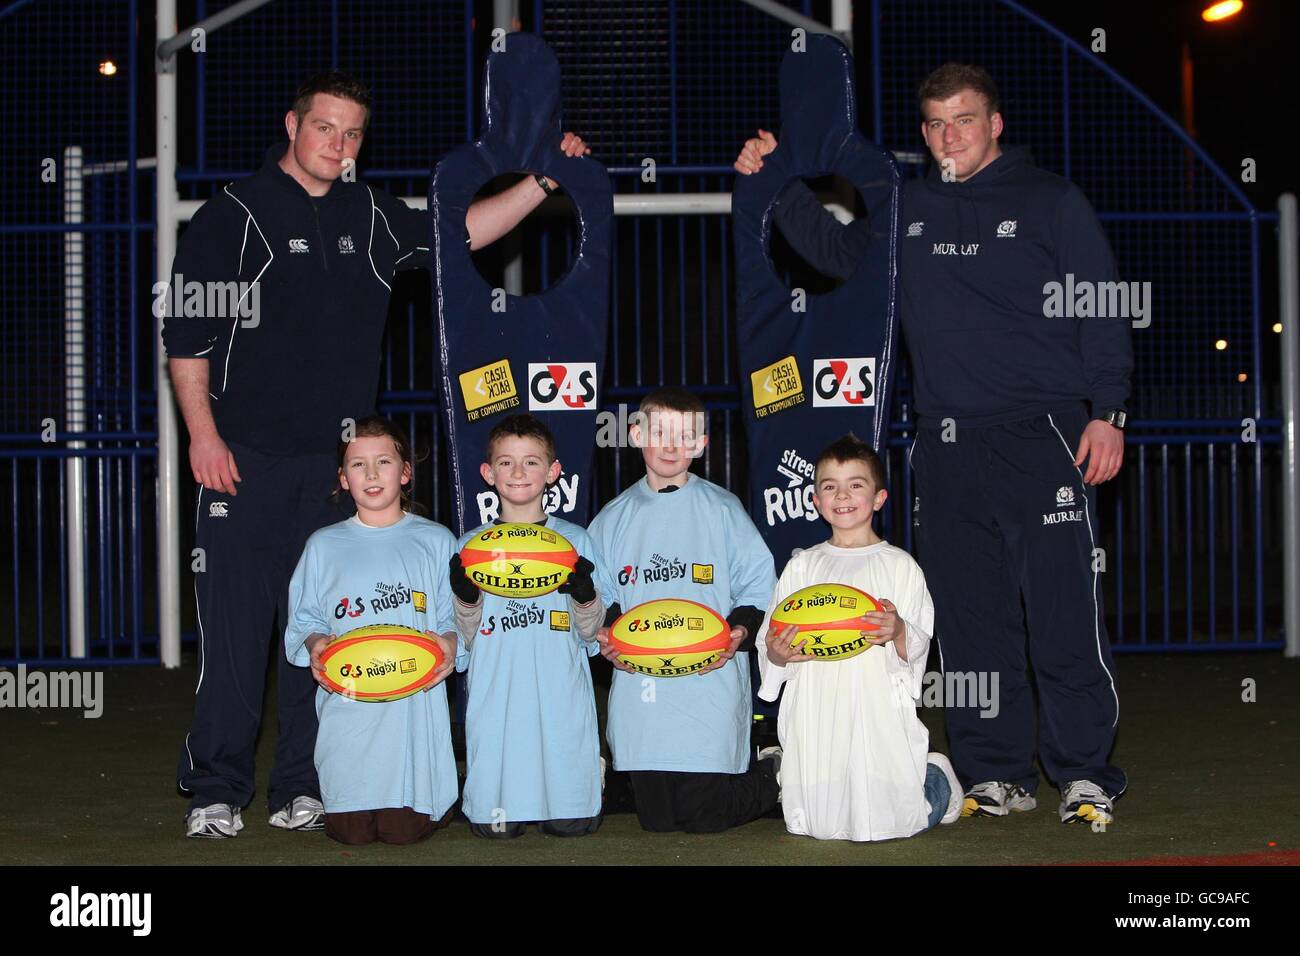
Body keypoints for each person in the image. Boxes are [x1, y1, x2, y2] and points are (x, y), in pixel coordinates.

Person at [163, 69, 590, 838]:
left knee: (320, 633)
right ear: (293, 125)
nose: (339, 143)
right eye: (326, 127)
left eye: (353, 132)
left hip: (335, 473)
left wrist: (540, 183)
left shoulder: (372, 214)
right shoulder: (231, 214)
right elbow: (187, 338)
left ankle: (302, 783)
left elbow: (461, 234)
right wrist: (203, 436)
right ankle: (216, 790)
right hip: (243, 461)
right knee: (233, 634)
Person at [734, 63, 1131, 825]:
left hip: (1047, 431)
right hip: (948, 443)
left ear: (996, 123)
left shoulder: (1050, 200)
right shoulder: (906, 205)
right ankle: (996, 773)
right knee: (973, 617)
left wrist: (1108, 410)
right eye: (937, 124)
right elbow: (836, 253)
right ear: (924, 133)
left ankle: (1085, 772)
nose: (951, 136)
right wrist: (777, 181)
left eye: (966, 120)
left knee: (1060, 612)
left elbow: (1103, 304)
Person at [589, 387, 781, 833]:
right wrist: (608, 637)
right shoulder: (613, 517)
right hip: (643, 691)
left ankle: (775, 774)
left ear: (700, 444)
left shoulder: (724, 510)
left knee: (703, 814)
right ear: (636, 435)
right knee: (657, 821)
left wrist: (739, 633)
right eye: (660, 432)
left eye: (684, 435)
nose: (672, 445)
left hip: (707, 684)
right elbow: (596, 596)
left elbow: (758, 586)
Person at [757, 434, 960, 841]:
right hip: (816, 710)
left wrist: (898, 630)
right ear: (815, 500)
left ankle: (936, 779)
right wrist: (777, 656)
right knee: (814, 826)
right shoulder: (800, 569)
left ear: (879, 498)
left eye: (856, 484)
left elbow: (918, 644)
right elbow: (770, 643)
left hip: (877, 709)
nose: (842, 495)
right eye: (829, 486)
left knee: (896, 822)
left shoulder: (900, 567)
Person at [284, 416, 458, 846]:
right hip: (350, 713)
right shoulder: (323, 546)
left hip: (410, 717)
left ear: (405, 472)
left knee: (404, 832)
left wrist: (451, 643)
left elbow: (457, 616)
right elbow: (303, 619)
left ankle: (434, 791)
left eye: (384, 461)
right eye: (358, 465)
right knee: (350, 834)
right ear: (343, 479)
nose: (373, 474)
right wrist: (315, 643)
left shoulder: (436, 541)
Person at [448, 414, 612, 839]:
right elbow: (467, 638)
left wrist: (584, 595)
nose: (518, 473)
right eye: (505, 462)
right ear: (487, 473)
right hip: (497, 693)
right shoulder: (469, 546)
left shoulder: (576, 540)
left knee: (571, 825)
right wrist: (467, 599)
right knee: (495, 828)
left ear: (553, 472)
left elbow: (592, 634)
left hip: (559, 692)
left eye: (532, 462)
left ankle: (585, 772)